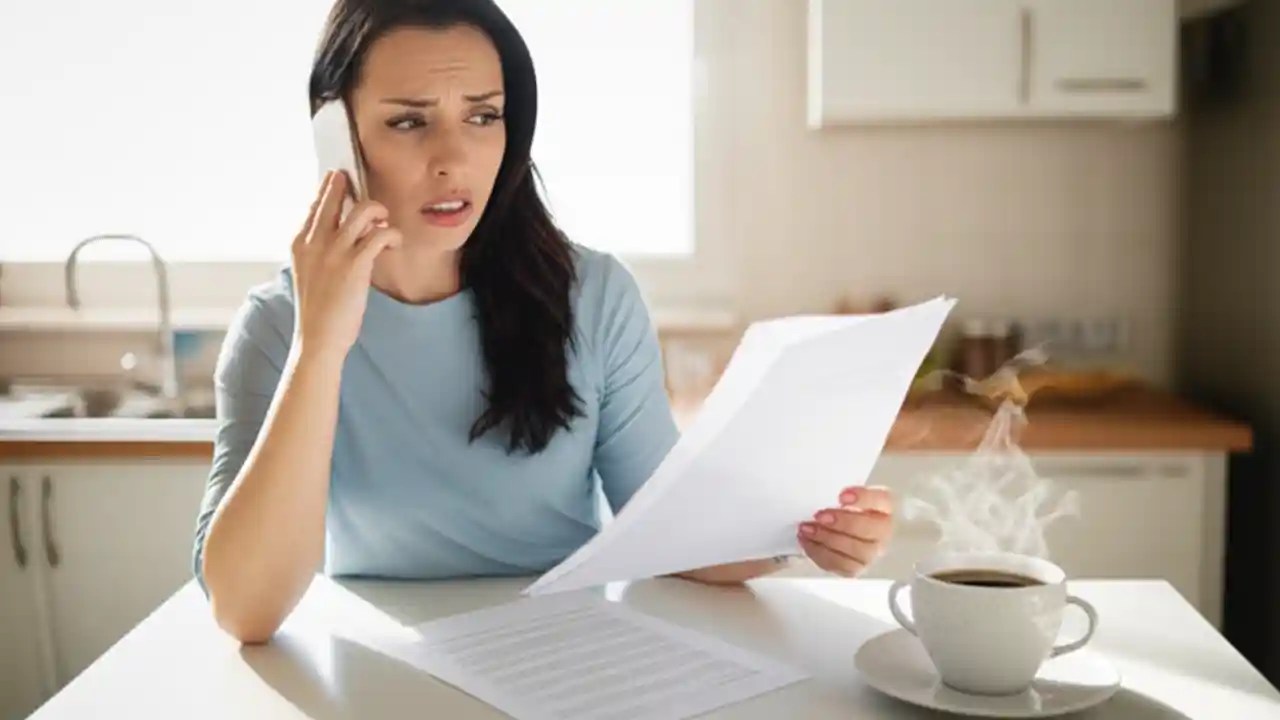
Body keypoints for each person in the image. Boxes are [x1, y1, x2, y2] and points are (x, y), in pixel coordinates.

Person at [193, 0, 895, 644]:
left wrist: (802, 530)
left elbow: (667, 528)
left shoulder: (592, 297)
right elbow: (244, 609)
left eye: (483, 115)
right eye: (409, 121)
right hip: (378, 663)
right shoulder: (279, 325)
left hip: (563, 652)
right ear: (335, 136)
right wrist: (320, 347)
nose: (454, 159)